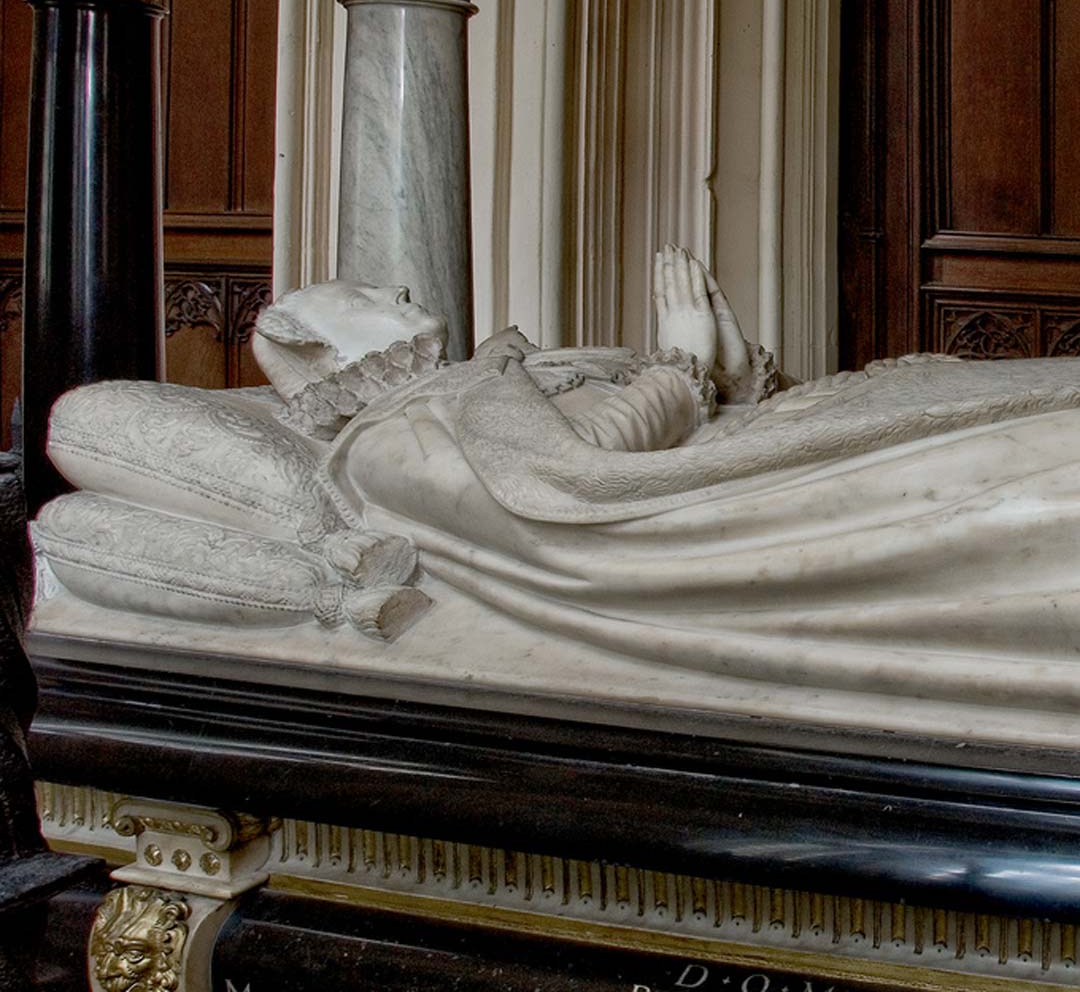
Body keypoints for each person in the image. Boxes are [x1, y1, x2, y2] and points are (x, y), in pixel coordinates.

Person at [31, 249, 1080, 723]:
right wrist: (677, 365)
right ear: (320, 346)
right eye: (365, 294)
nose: (393, 287)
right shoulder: (413, 422)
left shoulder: (469, 390)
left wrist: (717, 376)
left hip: (776, 451)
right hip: (757, 500)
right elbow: (574, 486)